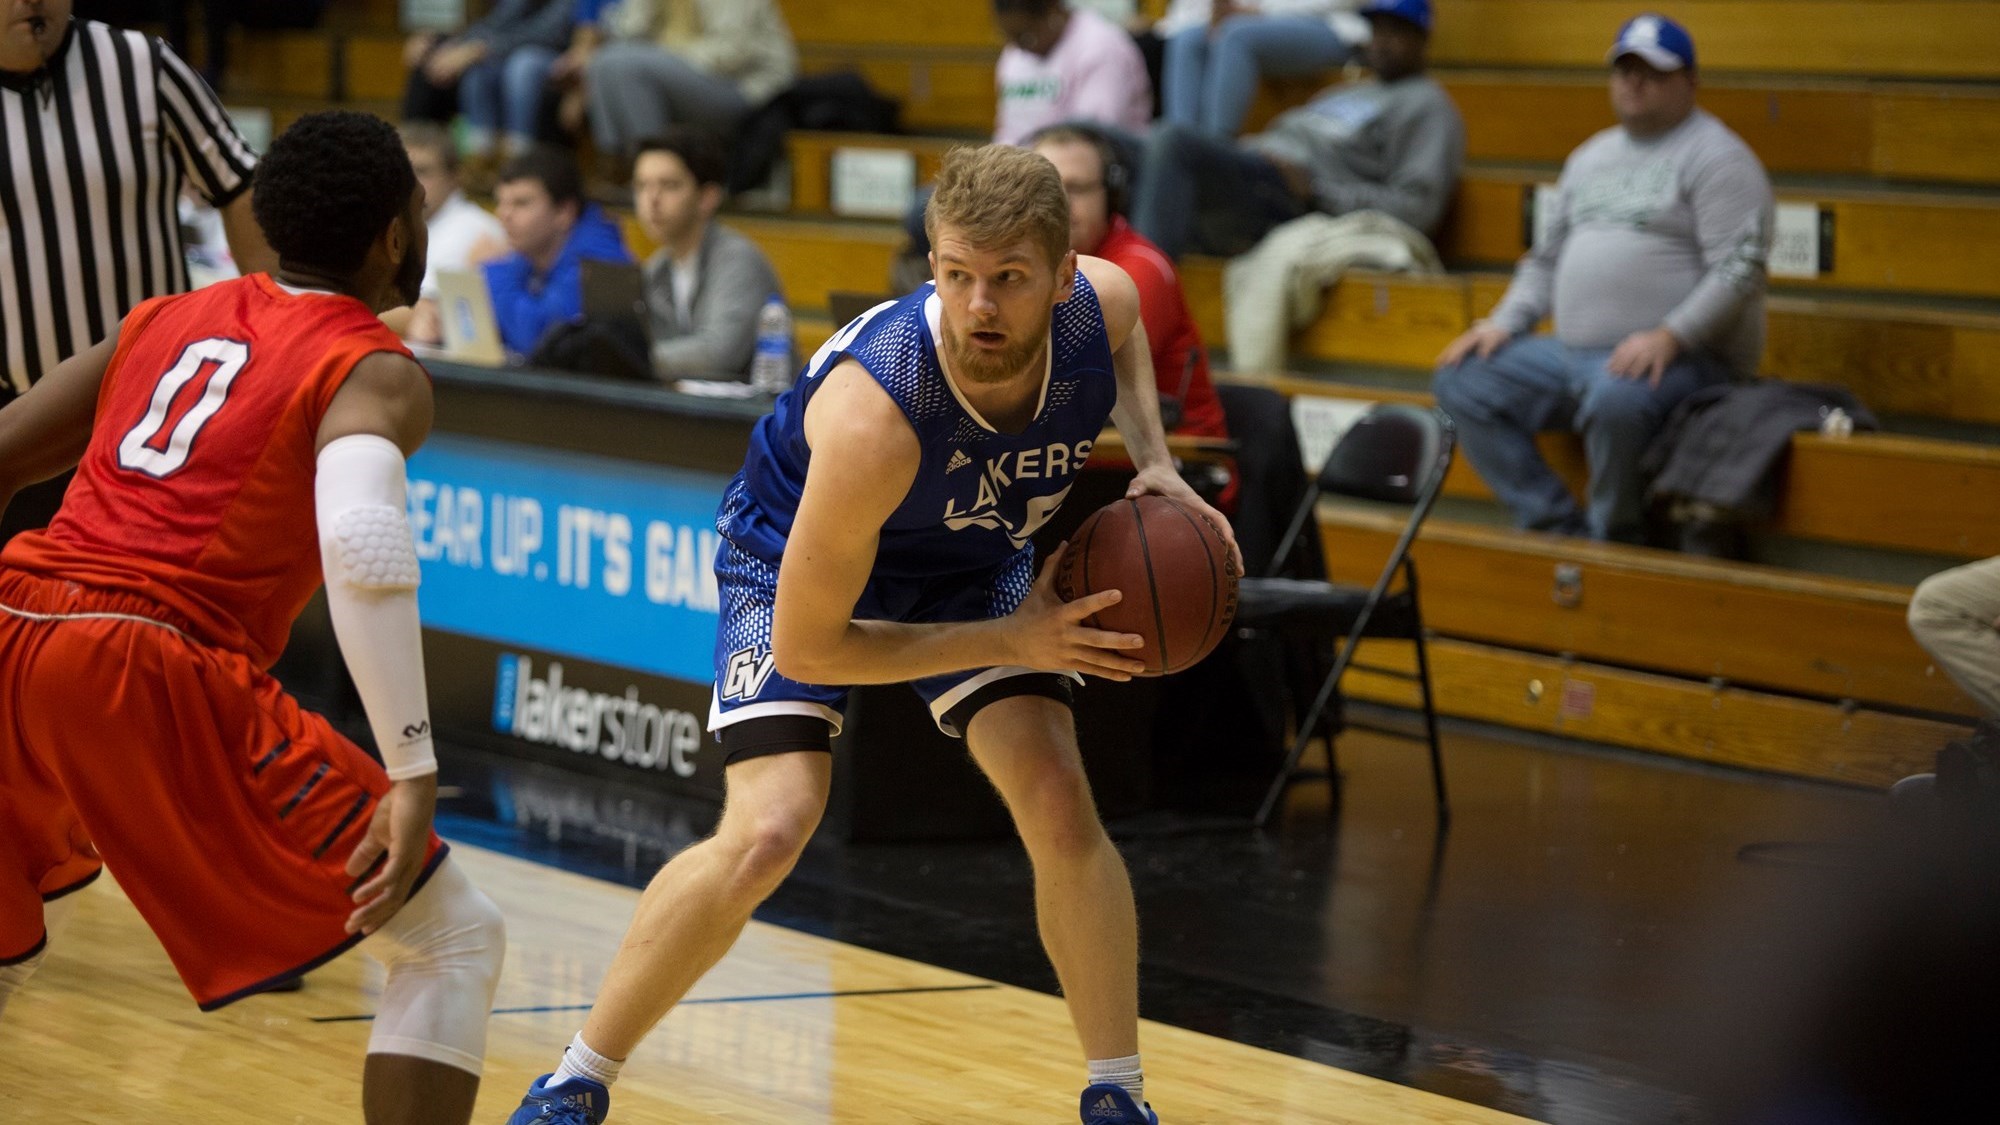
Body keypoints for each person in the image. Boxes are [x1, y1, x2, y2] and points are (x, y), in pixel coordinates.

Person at [509, 144, 1239, 1125]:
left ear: (1061, 276)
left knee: (1059, 799)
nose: (979, 305)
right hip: (794, 560)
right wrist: (1015, 643)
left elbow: (1128, 340)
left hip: (972, 555)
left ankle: (1118, 1097)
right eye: (954, 277)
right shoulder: (876, 416)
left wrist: (1154, 462)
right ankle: (575, 1079)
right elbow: (816, 650)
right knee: (770, 828)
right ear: (930, 267)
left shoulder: (1096, 303)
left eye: (1009, 280)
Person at [0, 111, 504, 1124]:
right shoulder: (374, 367)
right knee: (451, 938)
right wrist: (410, 767)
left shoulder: (164, 318)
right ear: (396, 236)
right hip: (148, 655)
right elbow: (361, 534)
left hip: (12, 625)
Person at [1432, 13, 1773, 542]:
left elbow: (1739, 268)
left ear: (1691, 81)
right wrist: (1503, 323)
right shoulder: (1590, 157)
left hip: (1689, 360)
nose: (1634, 82)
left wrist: (1672, 335)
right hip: (1575, 356)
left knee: (1618, 397)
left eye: (1653, 72)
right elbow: (1544, 260)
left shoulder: (1719, 157)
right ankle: (1554, 525)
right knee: (1463, 377)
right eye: (1624, 69)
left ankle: (1617, 538)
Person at [0, 0, 276, 544]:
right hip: (12, 422)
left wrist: (272, 333)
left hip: (151, 424)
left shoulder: (141, 64)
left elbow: (240, 181)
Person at [1129, 0, 1462, 258]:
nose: (1382, 42)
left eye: (1396, 32)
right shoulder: (1349, 88)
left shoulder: (1429, 105)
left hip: (1286, 194)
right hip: (1255, 165)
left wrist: (1317, 189)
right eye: (1377, 30)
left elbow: (1417, 210)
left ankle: (1144, 297)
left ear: (1422, 38)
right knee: (1105, 142)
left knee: (1171, 141)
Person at [1029, 123, 1235, 510]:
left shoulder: (1139, 270)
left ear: (1113, 195)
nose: (1057, 205)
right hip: (1092, 467)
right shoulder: (1032, 270)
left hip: (1177, 474)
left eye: (1074, 189)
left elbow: (1073, 384)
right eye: (1044, 191)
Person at [582, 0, 796, 173]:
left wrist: (665, 59)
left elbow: (734, 52)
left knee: (630, 66)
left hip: (742, 85)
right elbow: (628, 29)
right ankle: (616, 159)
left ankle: (657, 166)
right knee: (603, 61)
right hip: (680, 70)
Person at [484, 147, 634, 359]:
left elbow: (538, 341)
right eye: (501, 202)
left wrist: (497, 271)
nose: (504, 214)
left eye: (521, 203)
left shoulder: (599, 262)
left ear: (564, 212)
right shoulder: (528, 254)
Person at [401, 0, 579, 169]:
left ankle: (519, 155)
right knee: (478, 71)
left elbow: (548, 34)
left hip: (559, 59)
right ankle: (480, 155)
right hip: (508, 56)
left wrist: (479, 49)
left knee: (522, 65)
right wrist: (453, 44)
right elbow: (495, 23)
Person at [1157, 0, 1368, 139]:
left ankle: (1216, 148)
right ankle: (1179, 142)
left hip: (1330, 25)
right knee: (1187, 39)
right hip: (1255, 21)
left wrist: (1261, 11)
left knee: (1235, 36)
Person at [392, 122, 508, 345]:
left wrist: (345, 304)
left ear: (456, 177)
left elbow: (423, 314)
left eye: (423, 171)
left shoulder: (473, 228)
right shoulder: (396, 225)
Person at [993, 0, 1152, 146]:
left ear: (1053, 11)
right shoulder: (1015, 53)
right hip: (1024, 165)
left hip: (1091, 167)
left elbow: (1092, 138)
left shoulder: (1101, 48)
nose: (1020, 48)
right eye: (1010, 37)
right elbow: (1006, 129)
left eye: (1026, 37)